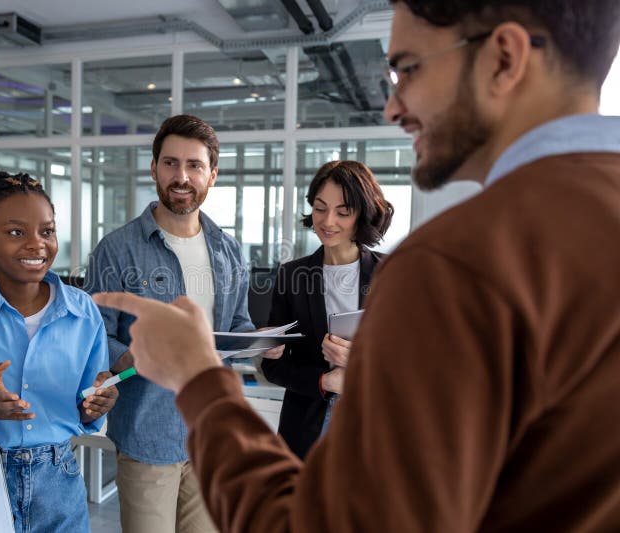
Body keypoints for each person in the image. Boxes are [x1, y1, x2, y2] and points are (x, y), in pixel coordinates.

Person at [91, 1, 620, 531]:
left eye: (408, 69)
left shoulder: (454, 261)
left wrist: (202, 380)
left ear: (504, 58)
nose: (393, 108)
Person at [85, 114, 254, 533]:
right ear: (154, 168)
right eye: (171, 163)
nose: (182, 177)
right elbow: (93, 334)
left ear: (212, 175)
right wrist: (132, 357)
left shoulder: (229, 251)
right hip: (148, 435)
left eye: (194, 165)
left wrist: (262, 342)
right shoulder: (117, 250)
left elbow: (238, 324)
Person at [0, 172, 118, 533]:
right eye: (16, 232)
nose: (37, 244)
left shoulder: (83, 311)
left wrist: (98, 401)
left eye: (47, 231)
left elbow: (88, 401)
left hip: (58, 483)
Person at [260, 160, 393, 459]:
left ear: (362, 214)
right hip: (304, 430)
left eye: (343, 212)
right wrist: (322, 381)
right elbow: (273, 367)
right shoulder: (292, 275)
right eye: (320, 208)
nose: (328, 221)